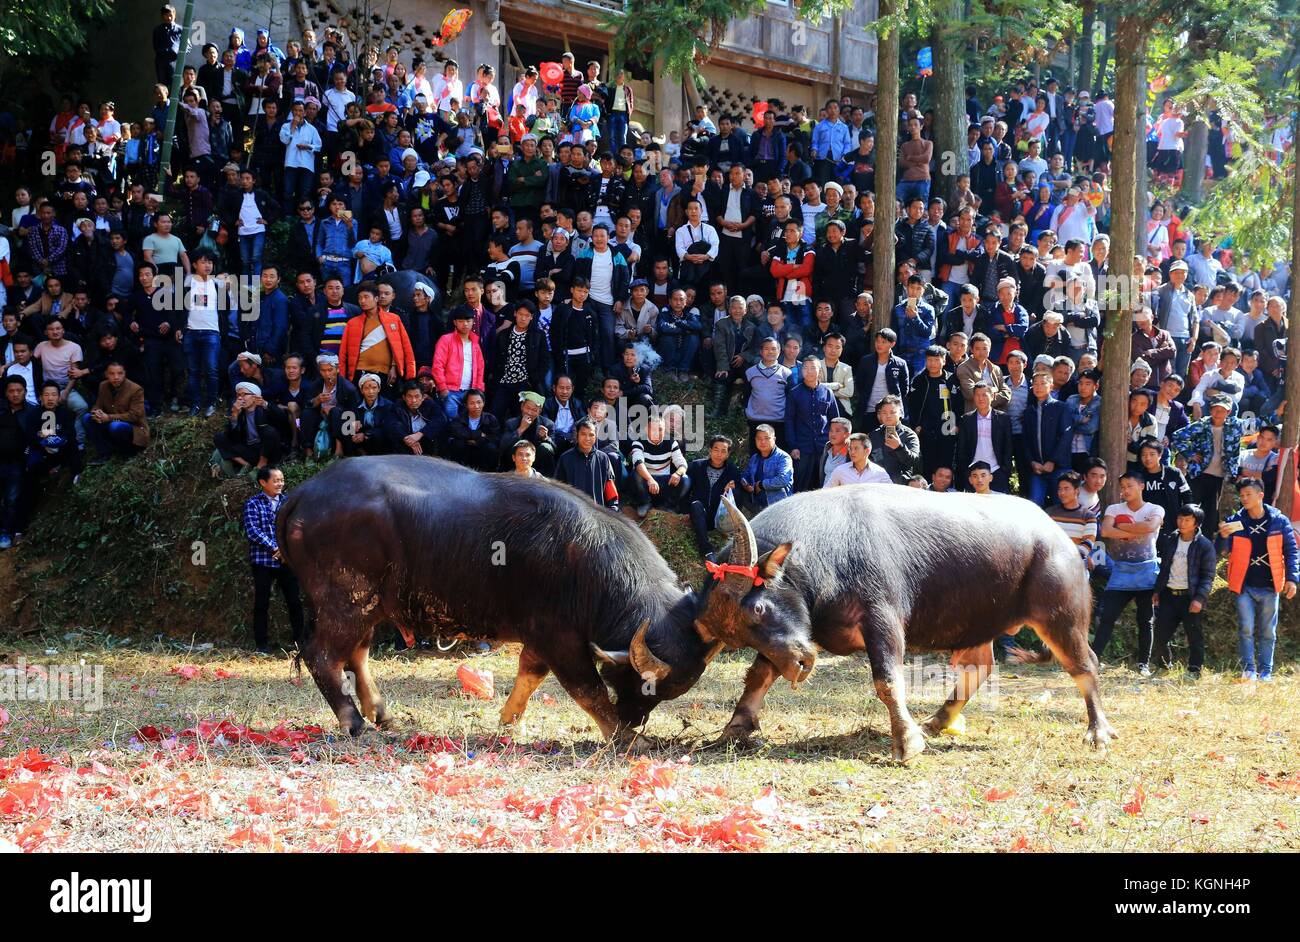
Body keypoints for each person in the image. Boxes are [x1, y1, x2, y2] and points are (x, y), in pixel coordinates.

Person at [1220, 478, 1299, 682]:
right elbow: (1220, 551)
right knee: (1245, 628)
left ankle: (1266, 671)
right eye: (1242, 495)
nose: (1244, 498)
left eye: (1248, 494)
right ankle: (1249, 670)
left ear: (1260, 495)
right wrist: (1222, 536)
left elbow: (1291, 551)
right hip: (1244, 584)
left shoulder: (1278, 521)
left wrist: (1292, 579)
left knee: (1268, 632)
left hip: (1271, 585)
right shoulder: (1235, 521)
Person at [1094, 472, 1165, 674]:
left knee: (1145, 620)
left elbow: (1151, 526)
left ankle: (1143, 664)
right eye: (1122, 487)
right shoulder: (1114, 508)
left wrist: (1122, 526)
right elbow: (1106, 531)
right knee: (1107, 617)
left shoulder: (1155, 508)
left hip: (1147, 571)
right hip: (1121, 570)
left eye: (1129, 486)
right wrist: (1137, 530)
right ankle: (1093, 660)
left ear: (1141, 486)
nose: (1125, 490)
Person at [242, 466, 305, 655]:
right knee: (262, 603)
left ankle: (300, 643)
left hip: (286, 561)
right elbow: (252, 530)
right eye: (276, 480)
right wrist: (274, 547)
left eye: (282, 480)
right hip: (262, 561)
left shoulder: (288, 503)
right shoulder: (253, 503)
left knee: (294, 600)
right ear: (263, 482)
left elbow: (297, 528)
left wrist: (285, 549)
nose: (280, 484)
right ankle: (261, 645)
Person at [1152, 504, 1216, 680]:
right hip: (1169, 595)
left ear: (1196, 523)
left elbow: (1208, 575)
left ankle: (1194, 670)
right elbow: (1164, 568)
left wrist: (1200, 599)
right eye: (1180, 518)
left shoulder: (1204, 545)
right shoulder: (1171, 539)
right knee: (1160, 635)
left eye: (1187, 520)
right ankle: (1164, 666)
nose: (1182, 523)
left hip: (1190, 597)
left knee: (1194, 636)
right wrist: (1157, 591)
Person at [1170, 395, 1242, 538]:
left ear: (1228, 412)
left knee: (1212, 512)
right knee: (1191, 506)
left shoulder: (1234, 426)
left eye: (1223, 410)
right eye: (1215, 409)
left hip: (1220, 476)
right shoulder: (1201, 425)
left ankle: (1207, 542)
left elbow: (1256, 423)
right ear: (1210, 410)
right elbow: (1178, 436)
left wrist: (1276, 414)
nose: (1218, 413)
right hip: (1198, 474)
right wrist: (1190, 454)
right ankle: (1182, 537)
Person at [787, 357, 841, 491]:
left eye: (813, 368)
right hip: (802, 447)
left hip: (824, 446)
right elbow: (789, 421)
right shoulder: (794, 393)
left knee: (824, 484)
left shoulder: (827, 392)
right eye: (805, 368)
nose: (809, 371)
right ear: (801, 371)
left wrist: (837, 444)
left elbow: (835, 420)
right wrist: (793, 446)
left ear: (819, 371)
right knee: (801, 485)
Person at [1021, 370, 1073, 505]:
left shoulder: (1061, 407)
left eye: (1043, 383)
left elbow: (1066, 436)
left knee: (1061, 504)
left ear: (1051, 386)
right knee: (1035, 503)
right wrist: (1032, 462)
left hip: (1058, 467)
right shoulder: (1029, 412)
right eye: (1035, 384)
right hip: (1037, 468)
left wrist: (1052, 461)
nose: (1038, 387)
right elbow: (1025, 441)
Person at [81, 361, 149, 463]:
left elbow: (134, 416)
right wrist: (96, 413)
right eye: (112, 374)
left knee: (115, 426)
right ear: (106, 375)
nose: (116, 377)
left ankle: (128, 452)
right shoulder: (103, 385)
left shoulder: (136, 389)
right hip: (111, 422)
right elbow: (98, 405)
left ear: (124, 373)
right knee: (87, 418)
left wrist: (108, 417)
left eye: (120, 373)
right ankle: (104, 453)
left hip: (133, 427)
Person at [955, 383, 1013, 492]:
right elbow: (961, 449)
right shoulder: (966, 420)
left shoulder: (1003, 419)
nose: (981, 398)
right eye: (977, 395)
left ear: (993, 396)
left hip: (997, 471)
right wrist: (965, 471)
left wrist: (1005, 471)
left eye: (984, 395)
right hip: (974, 473)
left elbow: (1008, 447)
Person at [554, 418, 620, 512]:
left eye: (591, 435)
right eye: (583, 434)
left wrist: (613, 506)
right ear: (577, 435)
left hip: (598, 514)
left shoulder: (603, 458)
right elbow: (558, 488)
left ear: (596, 436)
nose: (587, 438)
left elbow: (609, 487)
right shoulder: (565, 458)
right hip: (573, 514)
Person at [629, 415, 688, 518]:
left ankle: (668, 505)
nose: (657, 433)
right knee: (635, 474)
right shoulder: (638, 442)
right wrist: (650, 479)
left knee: (685, 479)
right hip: (645, 483)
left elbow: (682, 463)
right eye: (653, 429)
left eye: (660, 429)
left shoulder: (671, 442)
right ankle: (644, 502)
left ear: (665, 430)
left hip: (664, 483)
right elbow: (638, 463)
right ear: (647, 429)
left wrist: (678, 473)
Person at [1137, 437, 1191, 535]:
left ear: (1160, 455)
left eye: (1152, 454)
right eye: (1144, 455)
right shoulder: (1139, 477)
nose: (1147, 458)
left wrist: (1186, 519)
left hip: (1173, 525)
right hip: (1148, 526)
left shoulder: (1174, 473)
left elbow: (1187, 496)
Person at [867, 395, 920, 484]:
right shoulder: (873, 435)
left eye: (892, 412)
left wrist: (899, 447)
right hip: (876, 483)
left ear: (900, 413)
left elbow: (915, 462)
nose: (888, 416)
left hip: (900, 484)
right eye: (884, 413)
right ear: (879, 415)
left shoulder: (909, 435)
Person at [383, 380, 445, 457]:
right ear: (404, 397)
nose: (413, 400)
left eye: (417, 396)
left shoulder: (431, 406)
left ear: (423, 397)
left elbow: (440, 420)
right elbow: (391, 423)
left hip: (427, 444)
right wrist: (406, 438)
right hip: (405, 445)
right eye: (409, 396)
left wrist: (420, 434)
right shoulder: (397, 407)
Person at [740, 423, 794, 510]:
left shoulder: (783, 457)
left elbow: (783, 479)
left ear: (774, 439)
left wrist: (761, 485)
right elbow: (745, 475)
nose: (763, 442)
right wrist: (746, 484)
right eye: (759, 439)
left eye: (767, 438)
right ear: (755, 440)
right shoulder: (755, 458)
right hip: (757, 504)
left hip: (778, 506)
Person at [445, 388, 499, 471]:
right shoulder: (458, 418)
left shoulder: (491, 419)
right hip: (465, 452)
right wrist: (480, 434)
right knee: (457, 443)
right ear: (466, 405)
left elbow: (495, 438)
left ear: (483, 403)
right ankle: (457, 471)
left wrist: (477, 441)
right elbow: (458, 433)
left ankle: (488, 473)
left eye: (479, 402)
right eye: (472, 403)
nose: (476, 406)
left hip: (481, 451)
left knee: (491, 447)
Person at [824, 432, 891, 487]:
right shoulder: (840, 471)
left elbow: (892, 494)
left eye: (856, 448)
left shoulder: (879, 473)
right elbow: (825, 493)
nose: (852, 452)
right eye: (850, 448)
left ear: (867, 451)